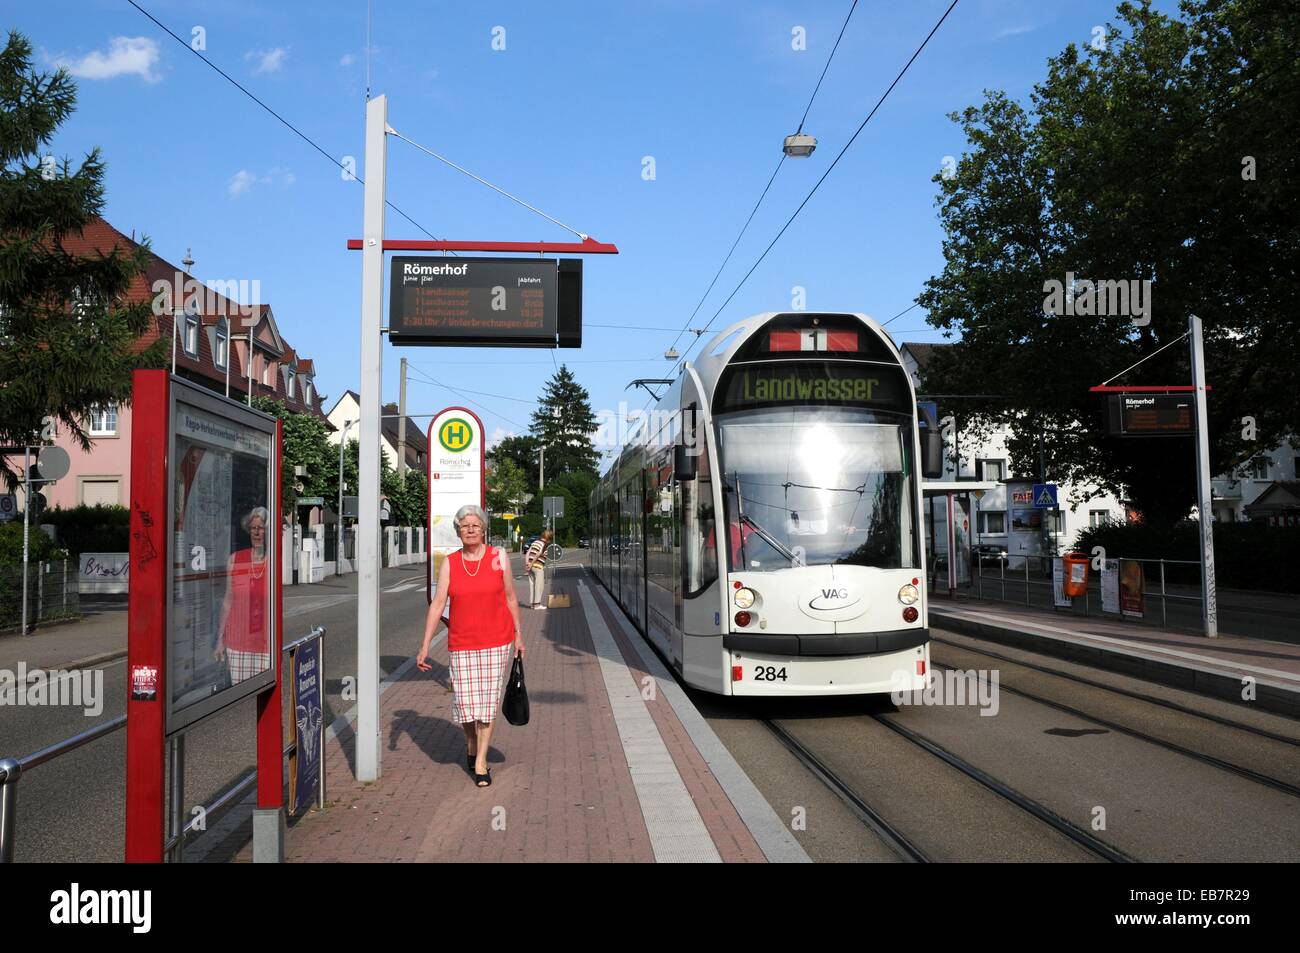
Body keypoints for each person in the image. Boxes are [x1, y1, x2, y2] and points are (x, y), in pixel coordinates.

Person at [417, 504, 525, 787]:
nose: (470, 530)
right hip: (462, 642)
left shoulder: (498, 557)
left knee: (487, 704)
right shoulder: (451, 563)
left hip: (496, 641)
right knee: (466, 705)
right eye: (465, 526)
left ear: (484, 529)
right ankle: (470, 743)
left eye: (475, 525)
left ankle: (480, 762)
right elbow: (438, 603)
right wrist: (425, 645)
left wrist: (519, 635)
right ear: (458, 531)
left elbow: (511, 598)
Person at [214, 506, 272, 684]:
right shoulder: (235, 560)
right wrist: (219, 640)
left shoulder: (274, 561)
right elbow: (227, 602)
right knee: (241, 698)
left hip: (265, 645)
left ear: (268, 531)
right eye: (253, 528)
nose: (257, 532)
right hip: (237, 644)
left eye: (261, 528)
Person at [524, 529, 553, 609]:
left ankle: (532, 604)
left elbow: (527, 553)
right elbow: (539, 553)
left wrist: (527, 564)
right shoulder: (544, 544)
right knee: (539, 585)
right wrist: (532, 563)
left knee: (532, 585)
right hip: (538, 566)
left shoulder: (535, 542)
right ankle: (537, 605)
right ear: (548, 538)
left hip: (530, 566)